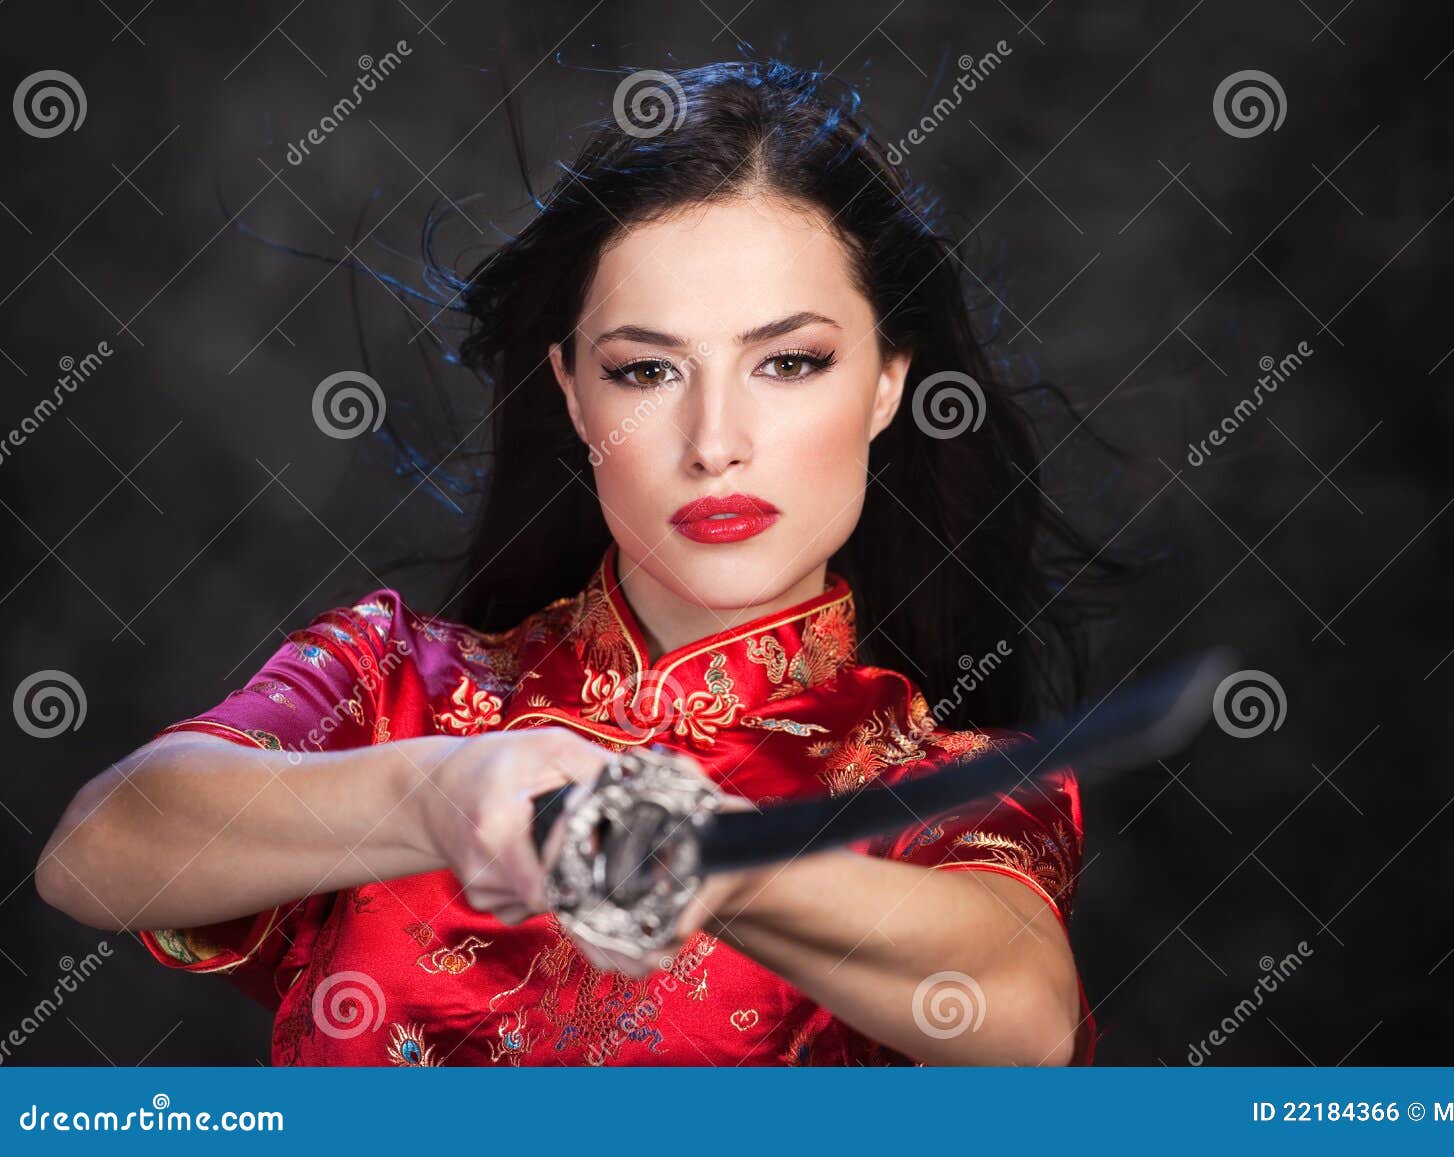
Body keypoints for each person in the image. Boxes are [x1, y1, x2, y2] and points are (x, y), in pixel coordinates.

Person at [37, 59, 1118, 1067]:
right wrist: (433, 790)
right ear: (570, 389)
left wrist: (701, 852)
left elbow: (1022, 1016)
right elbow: (97, 851)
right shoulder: (396, 684)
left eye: (789, 362)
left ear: (885, 382)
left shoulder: (954, 788)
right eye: (647, 370)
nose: (713, 439)